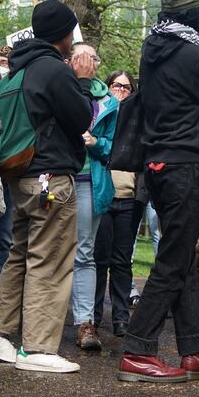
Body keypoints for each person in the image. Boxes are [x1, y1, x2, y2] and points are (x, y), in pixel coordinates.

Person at [118, 0, 199, 384]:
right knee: (174, 260)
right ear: (196, 18)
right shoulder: (194, 54)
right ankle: (138, 349)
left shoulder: (153, 49)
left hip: (158, 162)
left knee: (183, 259)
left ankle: (196, 350)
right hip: (186, 164)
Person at [0, 0, 95, 373]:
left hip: (20, 176)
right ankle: (39, 347)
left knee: (20, 254)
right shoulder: (54, 71)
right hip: (51, 178)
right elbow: (79, 119)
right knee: (51, 258)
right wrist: (84, 82)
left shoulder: (18, 70)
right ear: (65, 34)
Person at [71, 44, 118, 352]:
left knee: (84, 251)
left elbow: (115, 146)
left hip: (89, 181)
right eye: (77, 56)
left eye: (89, 57)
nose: (83, 62)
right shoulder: (60, 86)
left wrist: (95, 142)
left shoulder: (109, 102)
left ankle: (85, 321)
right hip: (57, 178)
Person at [94, 71, 143, 337]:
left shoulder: (137, 119)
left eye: (127, 87)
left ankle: (121, 319)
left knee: (122, 262)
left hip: (129, 198)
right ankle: (93, 316)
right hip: (103, 196)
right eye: (116, 85)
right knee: (99, 260)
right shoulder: (100, 113)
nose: (121, 90)